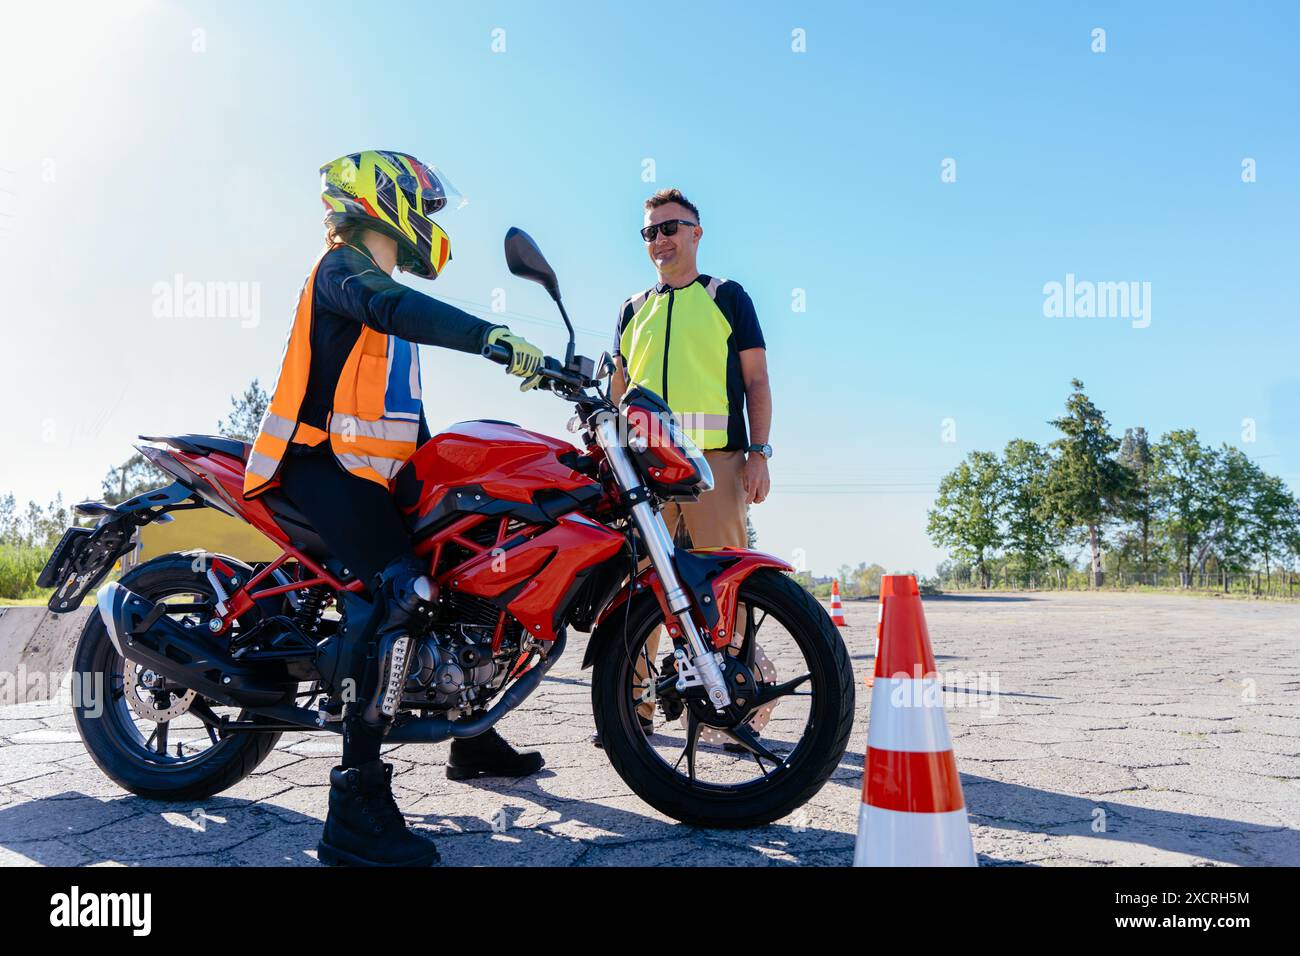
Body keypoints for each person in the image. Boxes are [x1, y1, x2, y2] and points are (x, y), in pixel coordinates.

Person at [242, 150, 547, 866]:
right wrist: (491, 337)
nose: (432, 222)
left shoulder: (380, 297)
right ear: (386, 201)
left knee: (460, 561)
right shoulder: (346, 272)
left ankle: (471, 738)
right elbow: (394, 306)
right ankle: (353, 809)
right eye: (426, 206)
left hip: (367, 477)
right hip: (312, 466)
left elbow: (400, 422)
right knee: (404, 591)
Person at [595, 187, 773, 748]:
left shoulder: (728, 298)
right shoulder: (631, 309)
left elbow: (757, 382)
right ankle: (636, 710)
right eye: (649, 231)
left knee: (725, 589)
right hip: (645, 476)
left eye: (670, 228)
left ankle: (733, 711)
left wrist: (759, 454)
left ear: (697, 233)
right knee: (636, 591)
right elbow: (616, 395)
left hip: (714, 467)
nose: (659, 239)